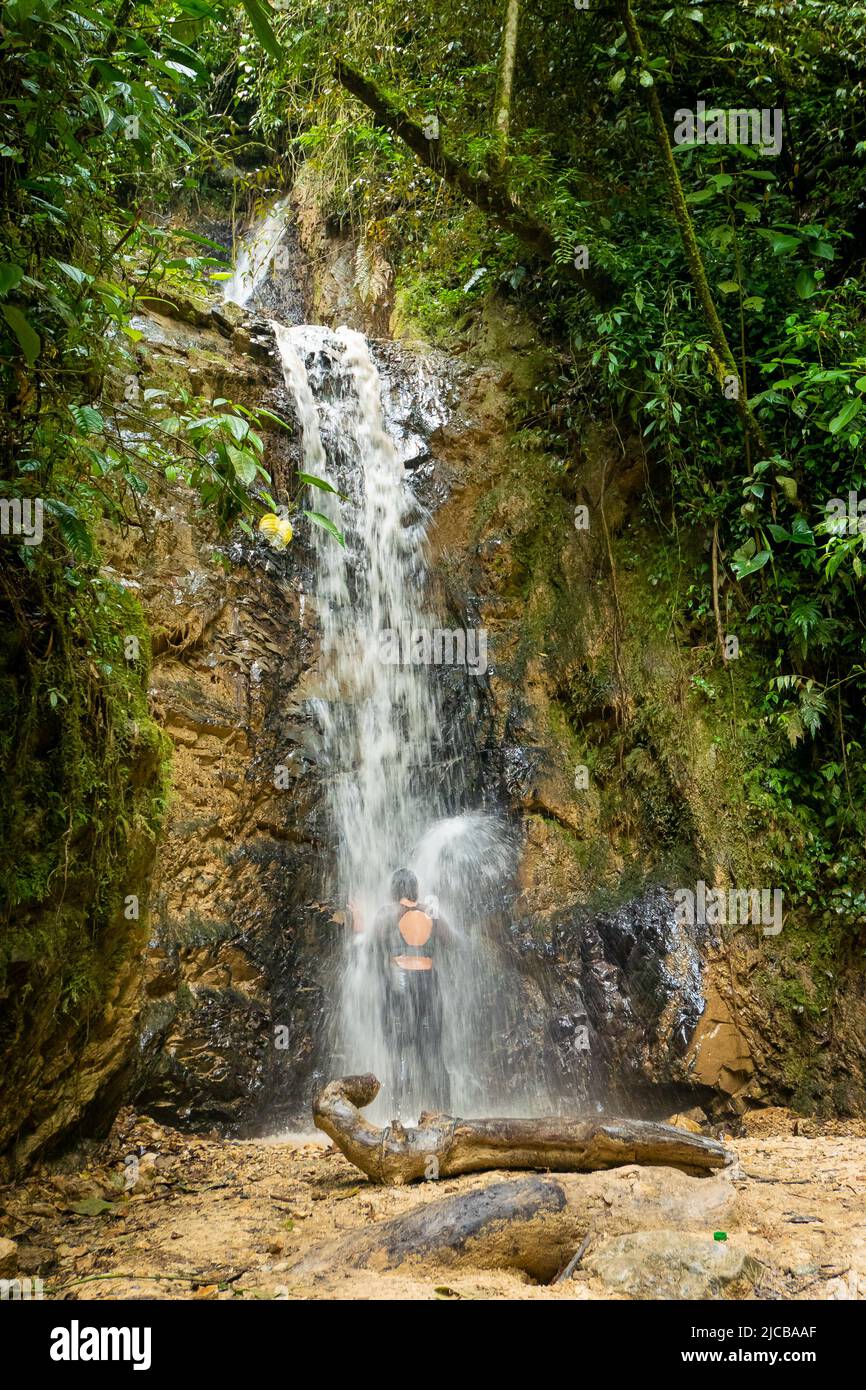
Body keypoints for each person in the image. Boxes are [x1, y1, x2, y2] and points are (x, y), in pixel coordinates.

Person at [365, 868, 453, 1119]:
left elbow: (371, 948)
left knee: (398, 1052)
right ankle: (445, 1115)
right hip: (428, 984)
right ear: (415, 889)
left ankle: (398, 1116)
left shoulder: (387, 913)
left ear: (394, 890)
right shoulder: (431, 913)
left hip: (400, 985)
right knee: (433, 1052)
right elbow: (453, 942)